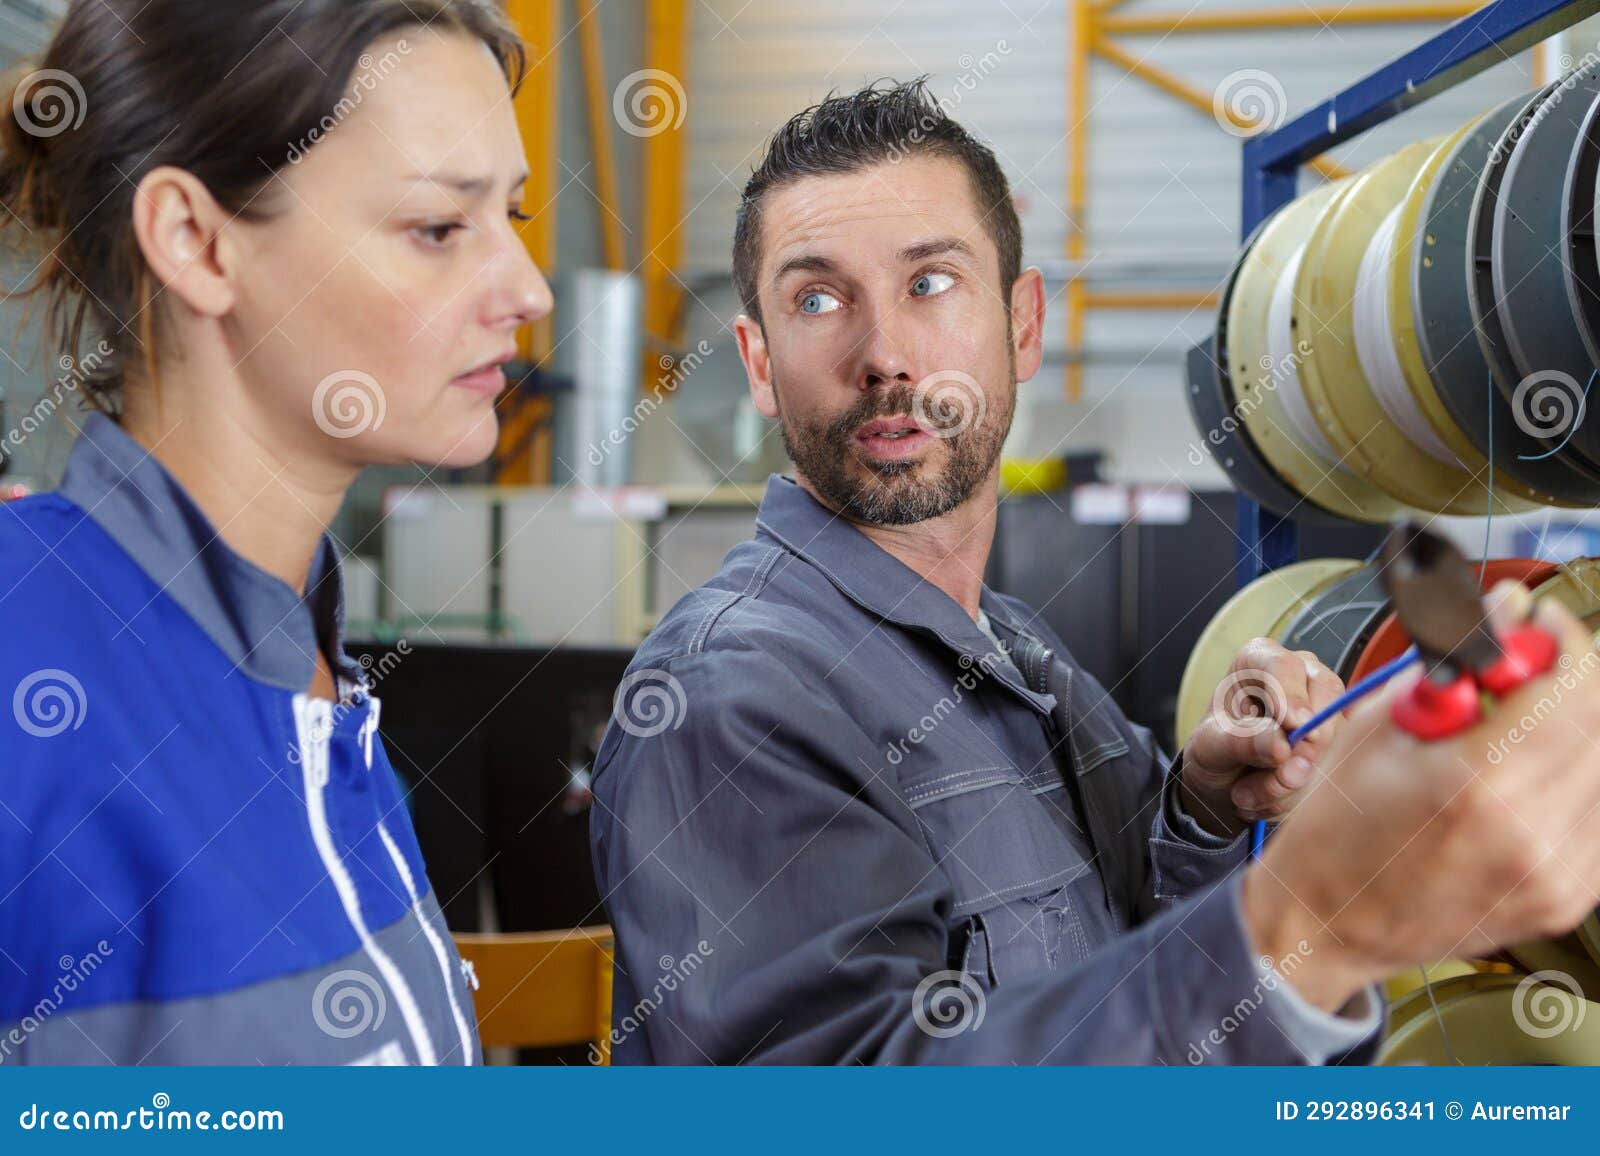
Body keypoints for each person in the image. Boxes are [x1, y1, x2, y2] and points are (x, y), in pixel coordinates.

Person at [588, 79, 1600, 1065]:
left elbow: (1122, 958)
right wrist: (1310, 923)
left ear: (1021, 324)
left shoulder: (1018, 649)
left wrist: (1207, 805)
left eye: (929, 282)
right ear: (759, 363)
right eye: (817, 298)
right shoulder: (732, 697)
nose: (885, 353)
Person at [0, 0, 550, 1064]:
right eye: (440, 228)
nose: (525, 290)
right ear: (196, 242)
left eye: (514, 218)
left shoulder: (308, 674)